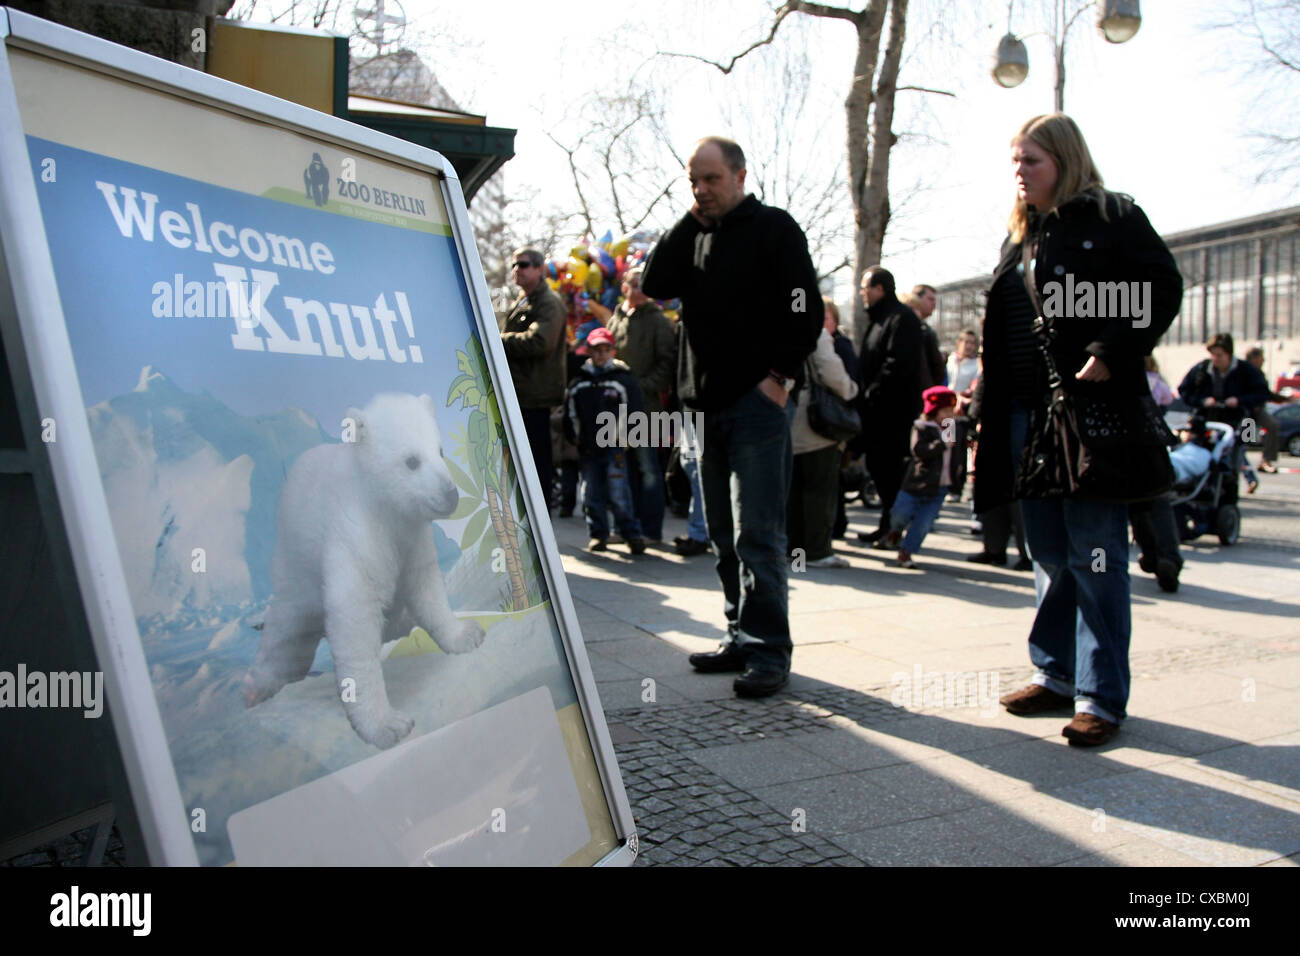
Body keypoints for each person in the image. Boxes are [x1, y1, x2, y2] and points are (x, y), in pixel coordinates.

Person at [982, 114, 1183, 747]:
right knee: (1044, 550)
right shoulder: (1024, 235)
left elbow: (1162, 285)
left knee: (1095, 553)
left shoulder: (1113, 216)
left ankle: (1100, 696)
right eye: (1015, 161)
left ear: (1065, 161)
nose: (1020, 171)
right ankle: (1057, 675)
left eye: (1031, 160)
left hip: (1091, 410)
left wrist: (1112, 348)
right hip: (1028, 412)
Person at [642, 135, 822, 698]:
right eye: (693, 180)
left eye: (711, 179)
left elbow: (805, 307)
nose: (701, 189)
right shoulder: (696, 233)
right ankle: (740, 635)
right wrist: (689, 219)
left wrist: (780, 378)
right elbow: (653, 283)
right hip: (702, 407)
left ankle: (769, 651)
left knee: (758, 533)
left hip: (755, 406)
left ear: (741, 175)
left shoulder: (776, 229)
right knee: (721, 534)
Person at [604, 266, 677, 540]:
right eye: (632, 284)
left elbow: (666, 363)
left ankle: (650, 530)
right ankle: (623, 526)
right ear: (623, 287)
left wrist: (639, 387)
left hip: (647, 408)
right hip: (615, 408)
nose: (637, 290)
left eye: (642, 285)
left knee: (648, 470)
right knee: (619, 469)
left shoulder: (657, 320)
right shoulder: (617, 317)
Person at [788, 298, 859, 569]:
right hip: (815, 424)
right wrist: (850, 390)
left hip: (788, 421)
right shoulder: (816, 334)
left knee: (793, 490)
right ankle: (817, 551)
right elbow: (832, 371)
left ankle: (795, 552)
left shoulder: (783, 328)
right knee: (819, 489)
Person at [854, 267, 923, 546]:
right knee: (881, 470)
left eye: (866, 287)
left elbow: (897, 365)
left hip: (892, 415)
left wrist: (871, 393)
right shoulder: (881, 319)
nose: (862, 293)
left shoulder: (900, 319)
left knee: (890, 471)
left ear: (880, 289)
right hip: (878, 413)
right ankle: (887, 525)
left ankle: (894, 529)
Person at [564, 327, 647, 555]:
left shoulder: (622, 380)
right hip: (588, 447)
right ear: (588, 351)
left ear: (613, 351)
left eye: (605, 350)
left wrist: (629, 436)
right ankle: (598, 534)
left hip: (614, 446)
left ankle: (630, 533)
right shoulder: (579, 382)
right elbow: (570, 412)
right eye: (596, 350)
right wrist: (574, 435)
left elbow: (635, 409)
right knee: (590, 492)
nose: (600, 355)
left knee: (619, 491)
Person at [499, 246, 568, 508]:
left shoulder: (549, 303)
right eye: (515, 265)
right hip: (521, 394)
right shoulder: (523, 300)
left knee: (537, 468)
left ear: (540, 269)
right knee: (519, 466)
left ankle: (542, 529)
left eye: (525, 264)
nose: (518, 270)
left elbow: (541, 342)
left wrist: (498, 340)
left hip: (536, 399)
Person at [886, 386, 968, 569]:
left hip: (940, 486)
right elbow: (918, 451)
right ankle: (895, 530)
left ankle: (905, 553)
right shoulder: (923, 427)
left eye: (951, 411)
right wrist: (941, 445)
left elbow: (958, 454)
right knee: (901, 514)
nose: (949, 415)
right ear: (933, 411)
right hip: (917, 483)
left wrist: (958, 477)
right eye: (945, 411)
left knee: (924, 523)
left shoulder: (952, 428)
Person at [1244, 345, 1285, 474]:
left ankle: (1267, 460)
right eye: (1262, 358)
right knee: (1243, 439)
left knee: (1272, 425)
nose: (1264, 361)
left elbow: (1266, 393)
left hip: (1257, 411)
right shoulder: (1243, 372)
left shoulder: (1259, 373)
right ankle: (1240, 463)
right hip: (1244, 411)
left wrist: (1284, 399)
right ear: (1254, 359)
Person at [910, 283, 947, 391]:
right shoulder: (914, 329)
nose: (934, 304)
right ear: (916, 299)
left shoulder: (927, 330)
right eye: (930, 299)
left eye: (935, 300)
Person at [947, 328, 981, 411]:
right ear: (959, 343)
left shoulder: (977, 364)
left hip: (964, 407)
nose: (969, 346)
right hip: (946, 406)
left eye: (972, 343)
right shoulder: (950, 360)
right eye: (966, 342)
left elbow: (974, 388)